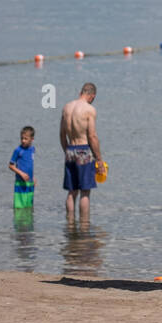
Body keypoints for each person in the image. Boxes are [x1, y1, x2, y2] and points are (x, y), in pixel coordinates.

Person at [60, 83, 102, 220]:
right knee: (85, 192)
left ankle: (70, 223)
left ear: (81, 92)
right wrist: (99, 159)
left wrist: (66, 151)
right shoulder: (89, 109)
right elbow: (92, 136)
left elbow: (61, 134)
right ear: (92, 96)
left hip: (70, 150)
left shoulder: (66, 107)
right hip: (84, 150)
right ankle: (84, 226)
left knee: (72, 191)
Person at [9, 126, 35, 210]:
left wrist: (33, 177)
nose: (23, 140)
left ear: (32, 139)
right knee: (19, 208)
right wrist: (21, 173)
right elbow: (11, 165)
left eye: (26, 138)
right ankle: (18, 222)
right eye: (22, 138)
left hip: (30, 182)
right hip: (20, 183)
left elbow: (30, 164)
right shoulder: (18, 150)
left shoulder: (32, 149)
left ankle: (29, 222)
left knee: (28, 207)